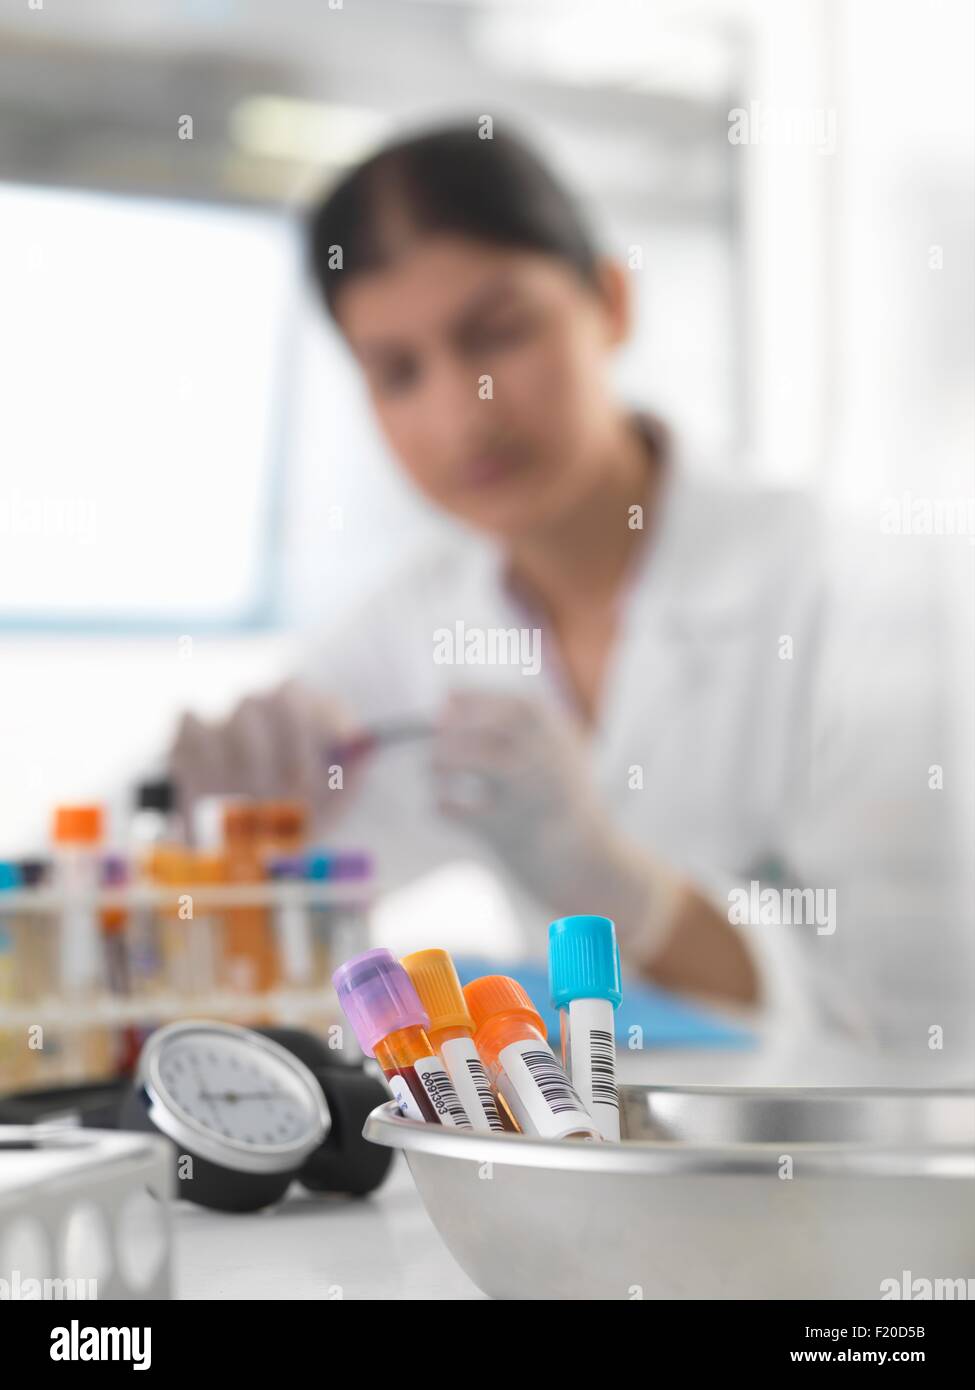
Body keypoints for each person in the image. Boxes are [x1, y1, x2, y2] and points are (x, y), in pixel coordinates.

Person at [170, 125, 971, 1052]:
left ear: (611, 302)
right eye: (397, 372)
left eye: (498, 334)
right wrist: (232, 842)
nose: (459, 413)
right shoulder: (419, 618)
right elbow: (115, 901)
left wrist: (614, 888)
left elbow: (918, 1017)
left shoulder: (850, 586)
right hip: (583, 1161)